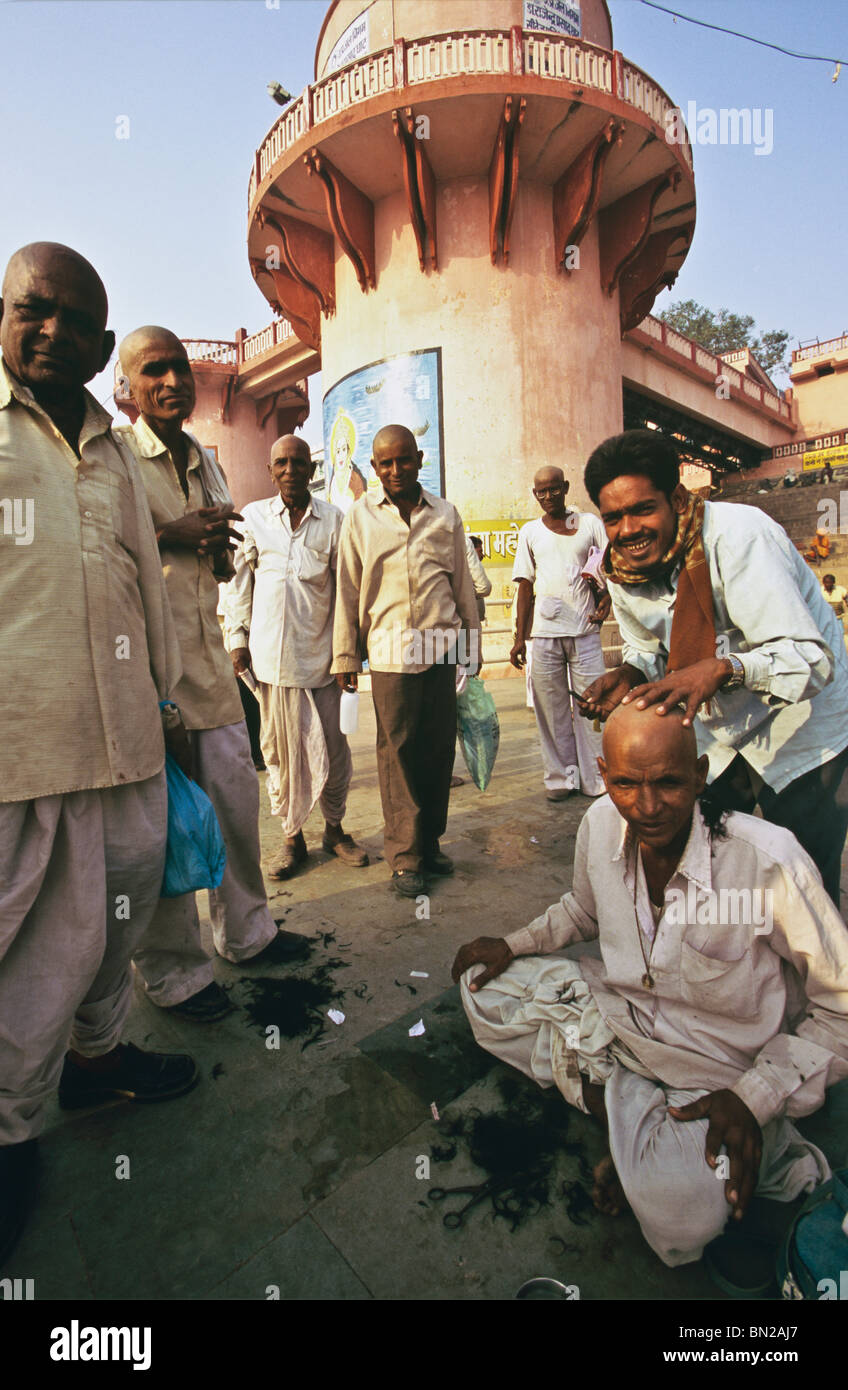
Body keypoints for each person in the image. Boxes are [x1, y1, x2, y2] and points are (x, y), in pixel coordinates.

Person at [453, 703, 848, 1270]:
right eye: (625, 783)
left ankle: (682, 1130)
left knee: (680, 1214)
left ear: (702, 775)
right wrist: (514, 944)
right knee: (479, 988)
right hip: (622, 1022)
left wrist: (753, 1098)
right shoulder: (597, 825)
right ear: (603, 772)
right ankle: (628, 1124)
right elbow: (582, 913)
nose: (647, 805)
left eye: (668, 782)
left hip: (718, 1076)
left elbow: (841, 1009)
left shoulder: (767, 860)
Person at [0, 243, 198, 1263]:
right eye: (38, 309)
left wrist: (168, 703)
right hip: (18, 746)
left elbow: (144, 582)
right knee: (27, 948)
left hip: (128, 732)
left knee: (121, 906)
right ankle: (10, 1126)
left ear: (101, 345)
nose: (56, 333)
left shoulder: (115, 449)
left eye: (80, 323)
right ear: (4, 309)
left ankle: (98, 1055)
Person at [579, 429, 848, 909]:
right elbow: (648, 650)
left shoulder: (740, 536)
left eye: (643, 509)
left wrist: (723, 669)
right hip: (719, 738)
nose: (629, 530)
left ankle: (815, 982)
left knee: (805, 888)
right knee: (719, 882)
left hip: (803, 727)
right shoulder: (619, 569)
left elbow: (811, 659)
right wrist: (633, 674)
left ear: (678, 498)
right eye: (613, 517)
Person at [115, 327, 289, 1022]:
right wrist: (170, 532)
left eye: (179, 369)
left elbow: (218, 567)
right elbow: (98, 548)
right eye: (153, 370)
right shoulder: (118, 456)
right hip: (148, 681)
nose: (171, 382)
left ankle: (248, 934)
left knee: (236, 815)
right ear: (127, 385)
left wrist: (217, 546)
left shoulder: (204, 461)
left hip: (213, 676)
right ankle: (175, 975)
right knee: (163, 835)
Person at [332, 423, 481, 897]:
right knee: (397, 755)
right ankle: (404, 857)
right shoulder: (359, 517)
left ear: (420, 459)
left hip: (439, 651)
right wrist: (346, 656)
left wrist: (470, 649)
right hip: (391, 652)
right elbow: (349, 588)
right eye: (386, 463)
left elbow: (461, 587)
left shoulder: (446, 515)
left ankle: (430, 843)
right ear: (374, 468)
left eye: (404, 460)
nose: (396, 470)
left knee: (437, 752)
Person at [225, 434, 367, 879]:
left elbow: (347, 591)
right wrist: (236, 637)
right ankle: (292, 839)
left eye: (299, 463)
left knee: (334, 751)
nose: (290, 471)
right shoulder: (254, 518)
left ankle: (335, 830)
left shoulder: (334, 520)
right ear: (271, 471)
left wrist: (347, 656)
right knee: (279, 754)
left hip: (322, 662)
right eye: (281, 463)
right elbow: (238, 583)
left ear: (312, 469)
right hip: (271, 663)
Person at [509, 466, 610, 801]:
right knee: (551, 712)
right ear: (534, 494)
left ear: (566, 488)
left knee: (592, 705)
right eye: (541, 492)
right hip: (544, 635)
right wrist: (518, 637)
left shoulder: (590, 524)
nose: (548, 497)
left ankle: (596, 778)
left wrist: (607, 596)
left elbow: (612, 565)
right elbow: (524, 585)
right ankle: (561, 780)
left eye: (554, 489)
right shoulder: (529, 533)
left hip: (584, 632)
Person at [327, 410, 367, 514]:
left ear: (349, 452)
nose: (340, 456)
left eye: (344, 449)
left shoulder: (355, 479)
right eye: (338, 451)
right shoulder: (333, 481)